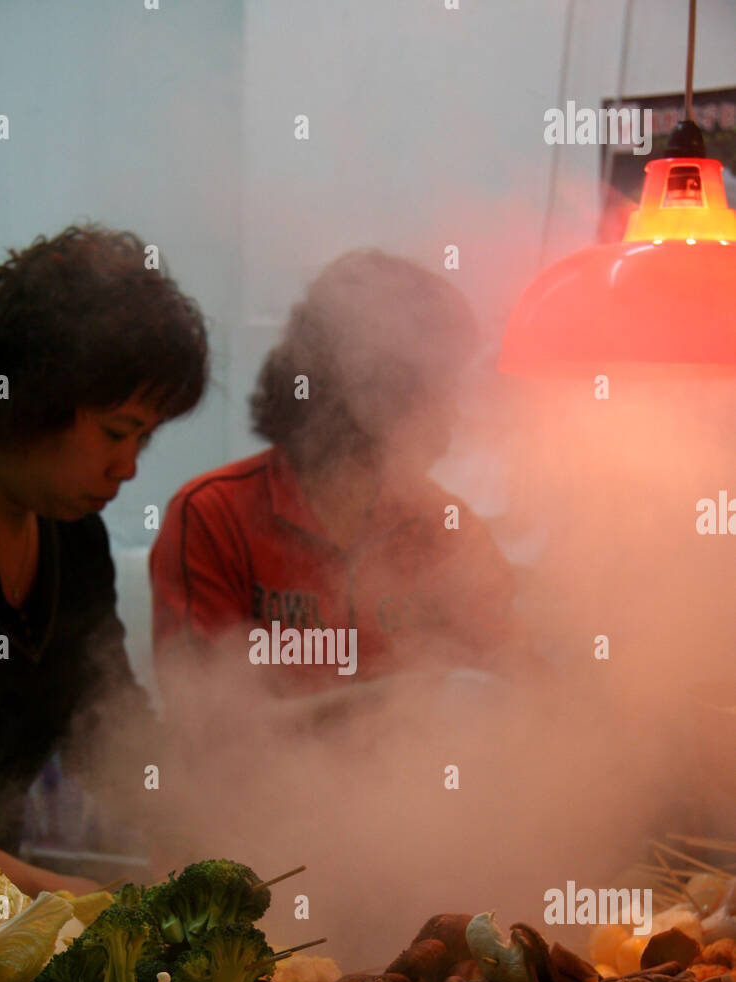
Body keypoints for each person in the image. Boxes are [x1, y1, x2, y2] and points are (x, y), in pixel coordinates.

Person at [0, 224, 208, 890]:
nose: (129, 467)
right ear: (32, 394)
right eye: (118, 432)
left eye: (144, 439)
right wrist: (61, 895)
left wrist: (198, 819)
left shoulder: (73, 533)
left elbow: (102, 722)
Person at [149, 249, 527, 702]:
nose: (453, 415)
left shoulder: (449, 527)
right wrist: (406, 698)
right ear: (371, 391)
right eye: (438, 388)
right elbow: (210, 730)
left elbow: (520, 680)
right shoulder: (213, 517)